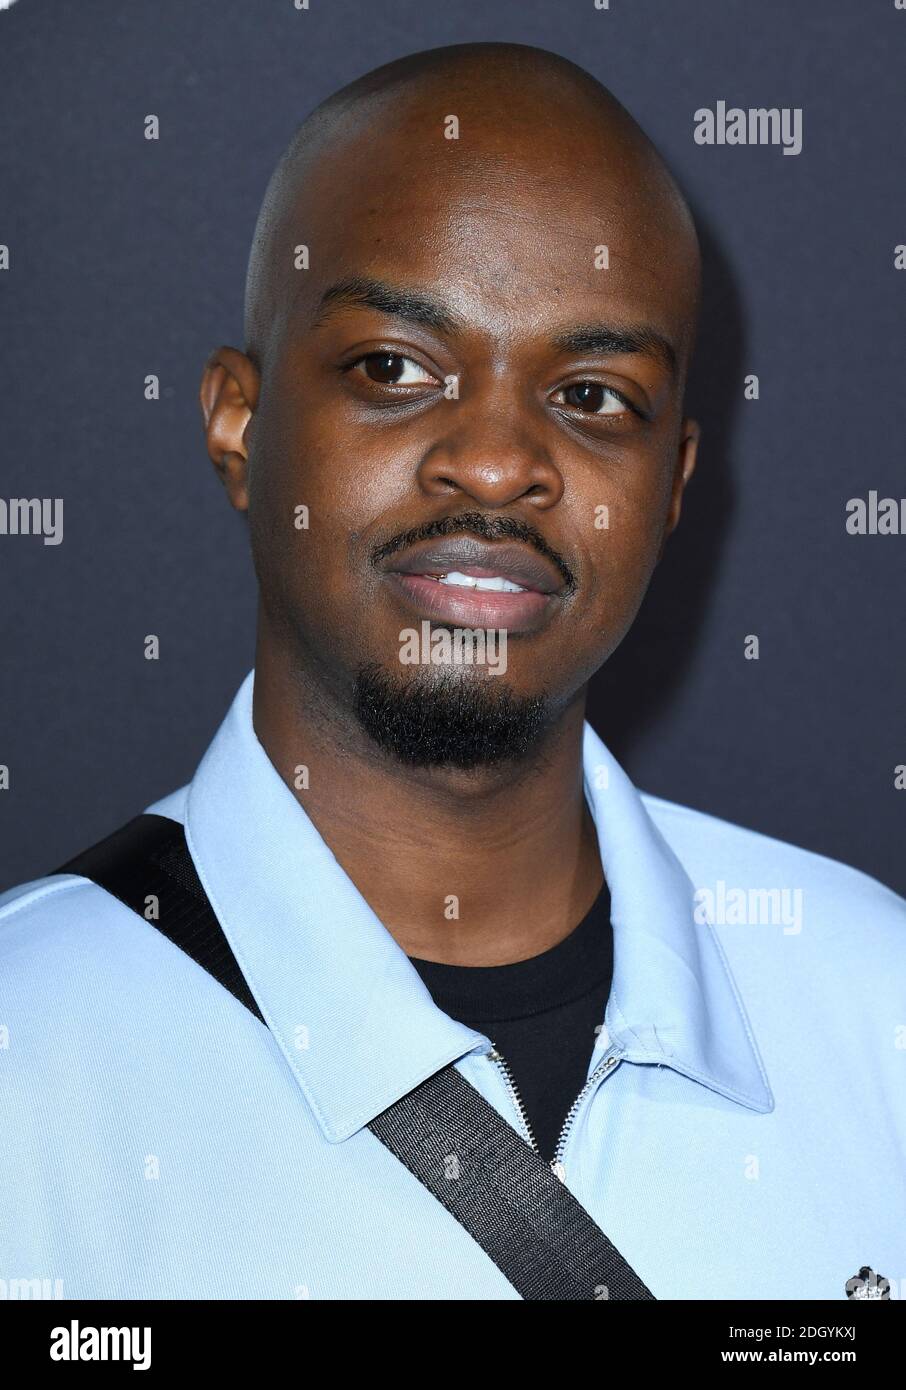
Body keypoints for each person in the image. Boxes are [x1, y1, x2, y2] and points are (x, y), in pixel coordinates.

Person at [1, 41, 902, 1301]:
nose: (494, 463)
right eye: (395, 369)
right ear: (238, 427)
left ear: (675, 486)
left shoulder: (876, 1001)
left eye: (593, 394)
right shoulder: (23, 1061)